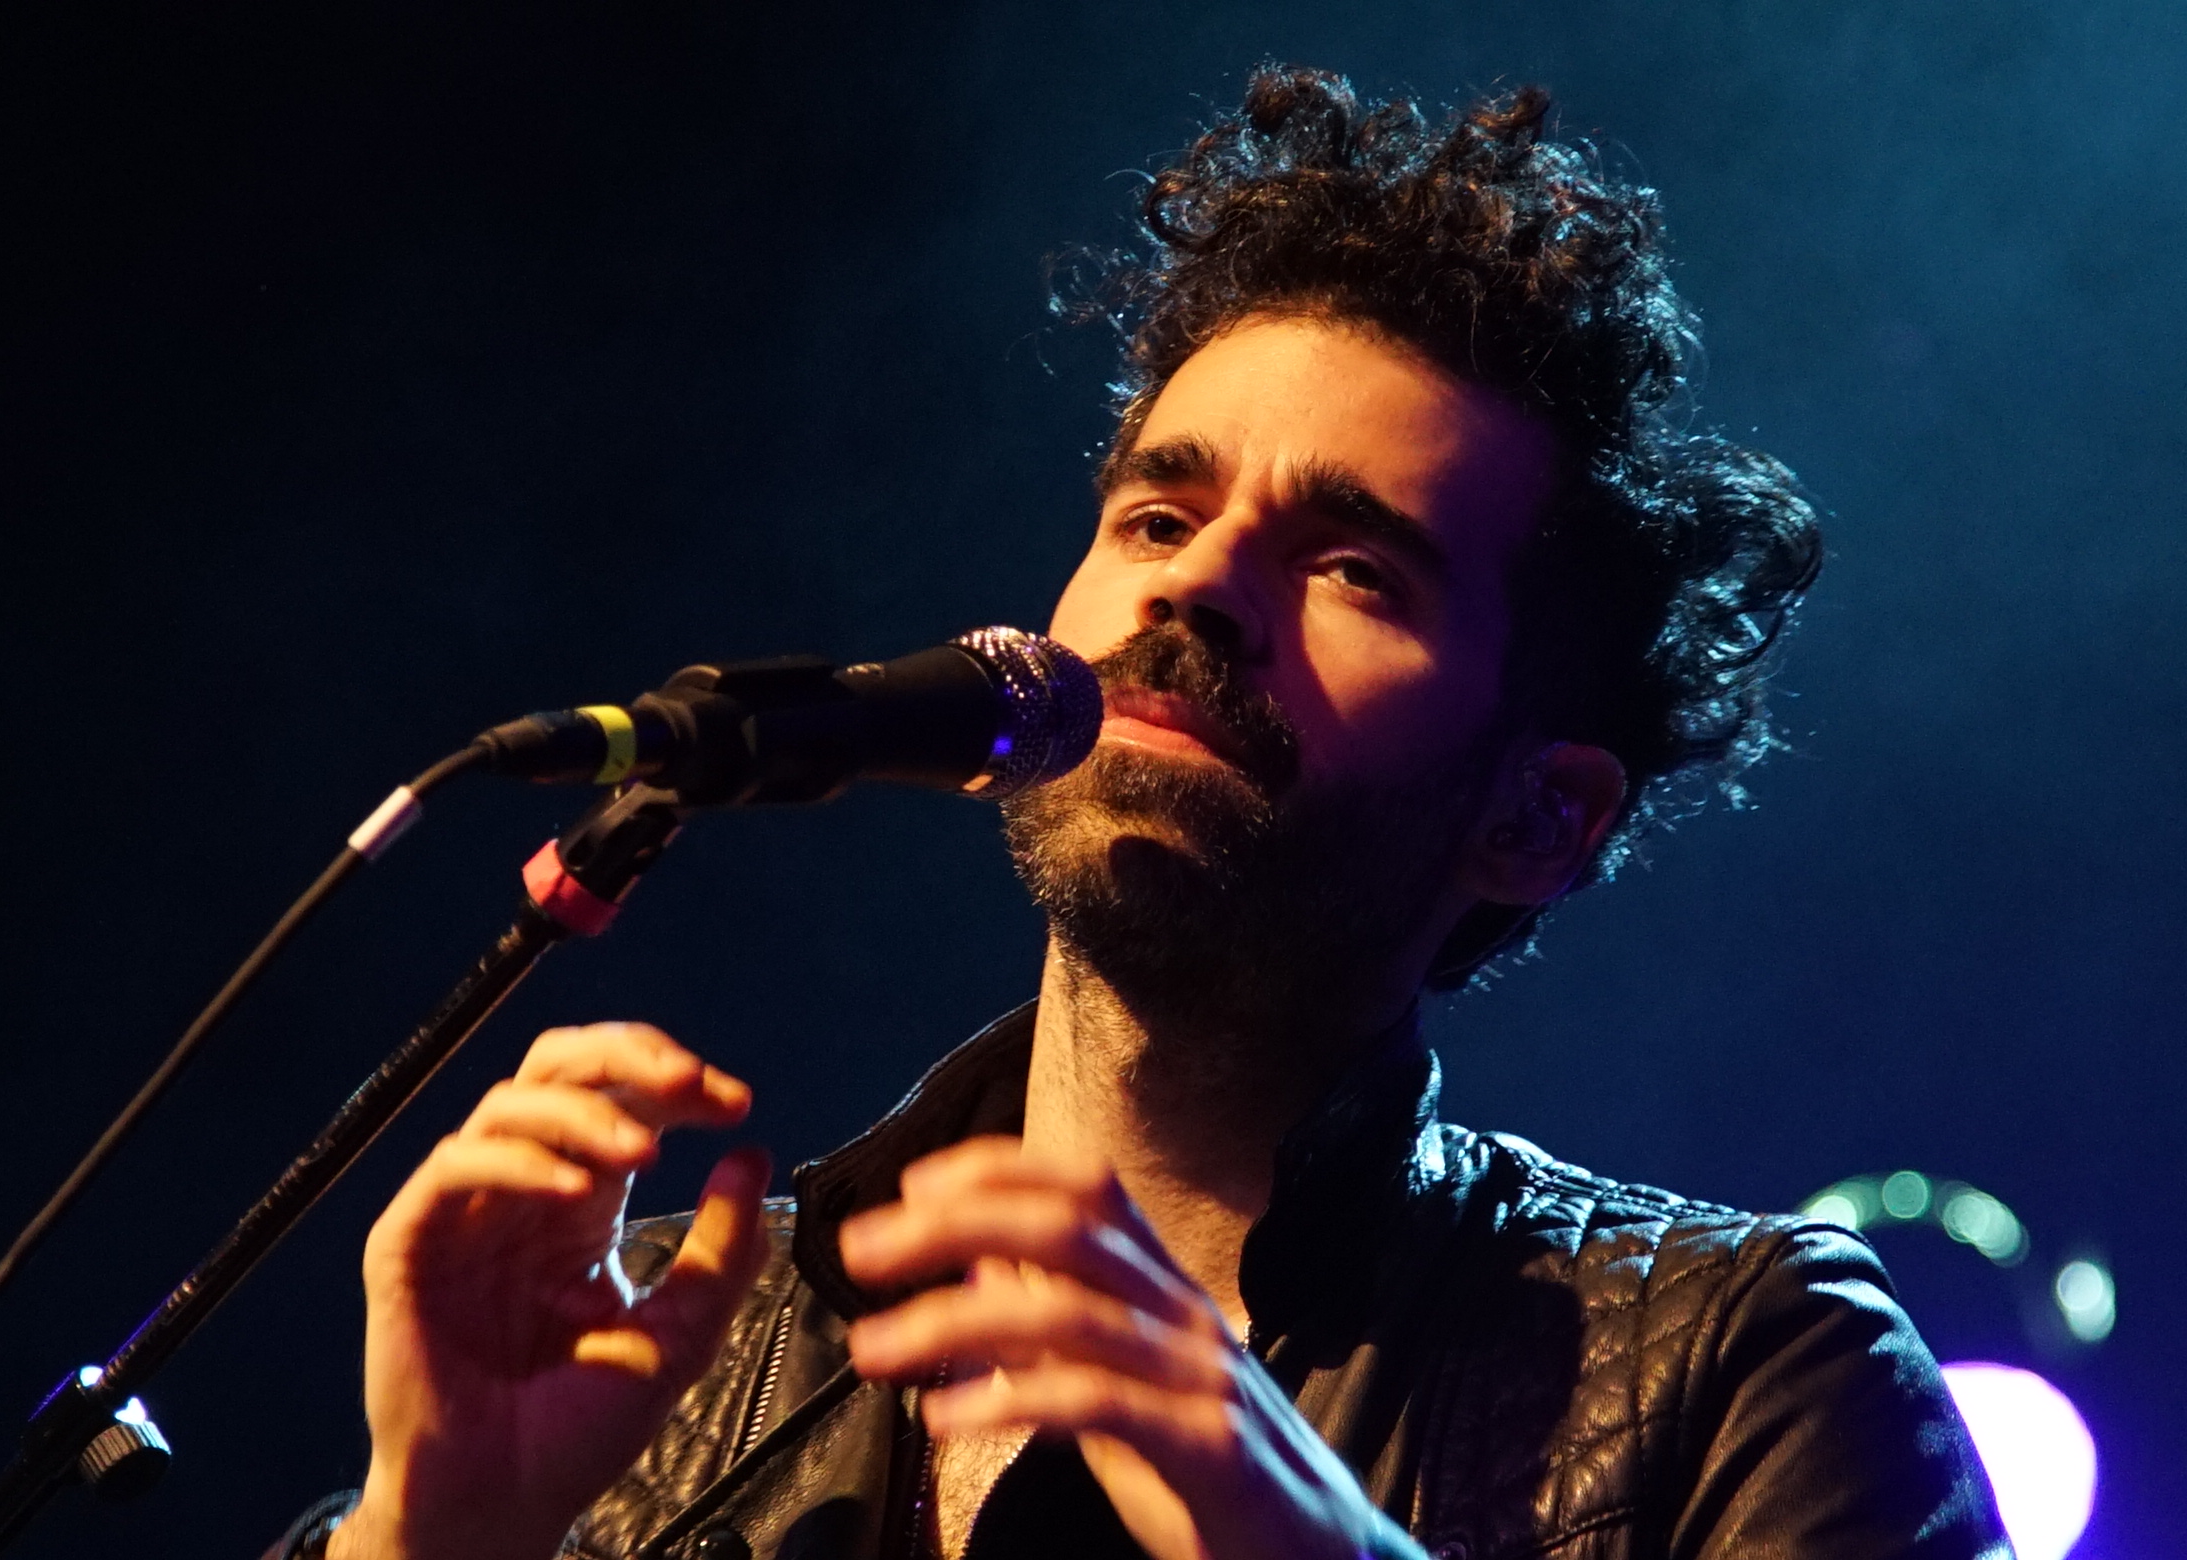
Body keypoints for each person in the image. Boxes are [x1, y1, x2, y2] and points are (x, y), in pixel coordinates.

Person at [278, 65, 2008, 1560]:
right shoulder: (649, 1339)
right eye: (1157, 516)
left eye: (1353, 567)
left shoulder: (1743, 1366)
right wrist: (430, 1536)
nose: (1202, 593)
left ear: (1540, 818)